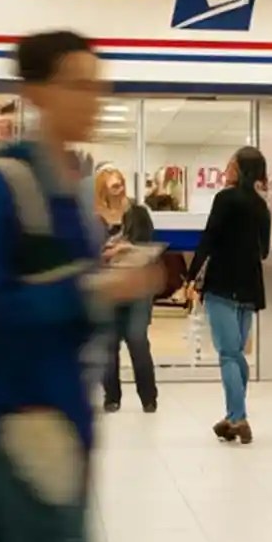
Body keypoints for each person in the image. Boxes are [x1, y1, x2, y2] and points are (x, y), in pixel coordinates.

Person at [0, 30, 164, 542]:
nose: (93, 98)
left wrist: (106, 284)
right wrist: (93, 291)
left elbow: (74, 314)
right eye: (78, 84)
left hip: (66, 428)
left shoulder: (72, 198)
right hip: (26, 430)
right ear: (37, 92)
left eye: (98, 85)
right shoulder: (7, 189)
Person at [188, 147, 271, 445]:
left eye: (230, 164)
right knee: (235, 352)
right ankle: (233, 414)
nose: (226, 168)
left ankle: (238, 417)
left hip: (222, 283)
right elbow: (264, 250)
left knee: (228, 353)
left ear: (238, 169)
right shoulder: (262, 207)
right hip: (249, 287)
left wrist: (191, 276)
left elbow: (208, 238)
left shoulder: (224, 199)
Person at [95, 167, 160, 413]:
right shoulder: (93, 218)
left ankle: (149, 397)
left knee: (137, 338)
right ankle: (112, 396)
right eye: (114, 186)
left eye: (121, 184)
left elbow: (147, 243)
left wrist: (127, 248)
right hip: (108, 286)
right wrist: (107, 253)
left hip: (137, 285)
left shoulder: (138, 213)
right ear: (102, 189)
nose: (120, 189)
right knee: (109, 341)